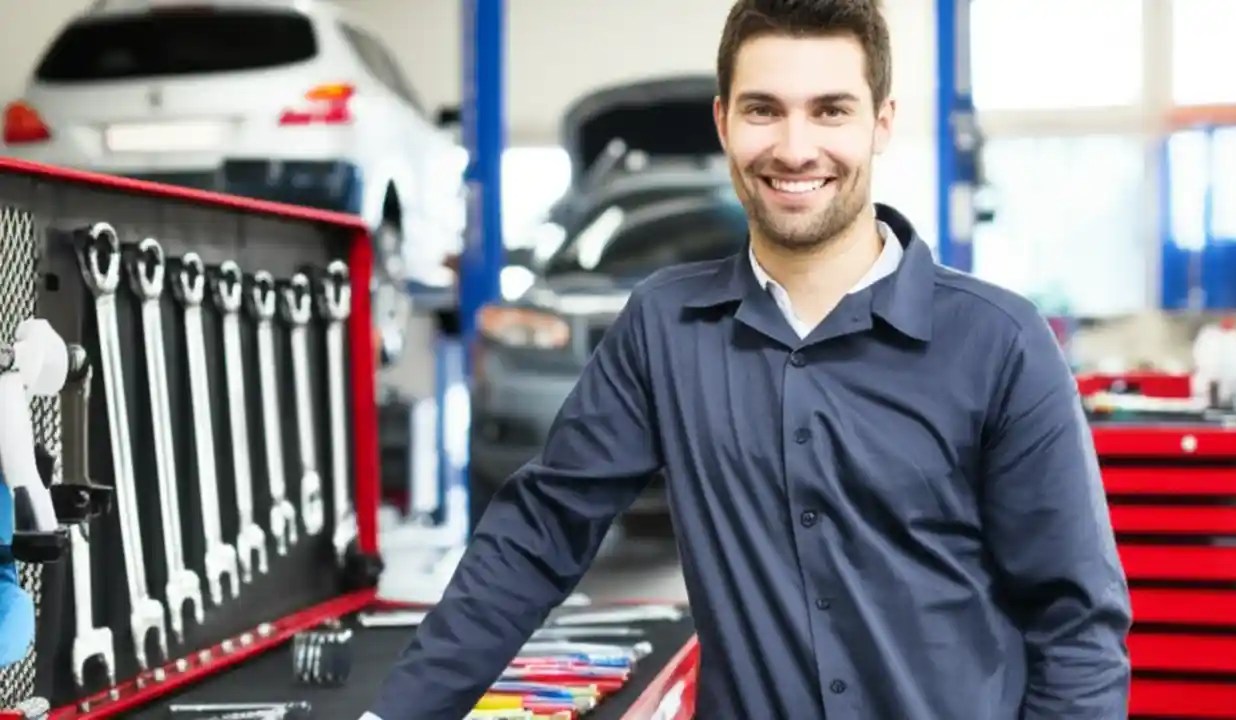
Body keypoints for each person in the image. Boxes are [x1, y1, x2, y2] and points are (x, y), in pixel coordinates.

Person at [364, 0, 1133, 717]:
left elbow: (1076, 628)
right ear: (725, 121)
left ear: (881, 123)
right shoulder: (666, 328)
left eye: (830, 110)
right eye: (764, 109)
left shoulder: (1000, 341)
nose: (795, 149)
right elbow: (539, 535)